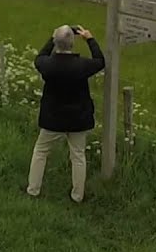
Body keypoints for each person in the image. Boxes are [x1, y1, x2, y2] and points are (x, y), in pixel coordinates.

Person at [26, 24, 106, 203]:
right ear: (73, 43)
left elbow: (39, 57)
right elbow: (100, 61)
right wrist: (89, 39)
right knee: (78, 156)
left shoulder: (47, 65)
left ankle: (33, 190)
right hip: (78, 119)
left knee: (40, 151)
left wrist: (52, 38)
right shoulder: (82, 65)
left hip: (52, 119)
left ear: (56, 43)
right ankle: (78, 196)